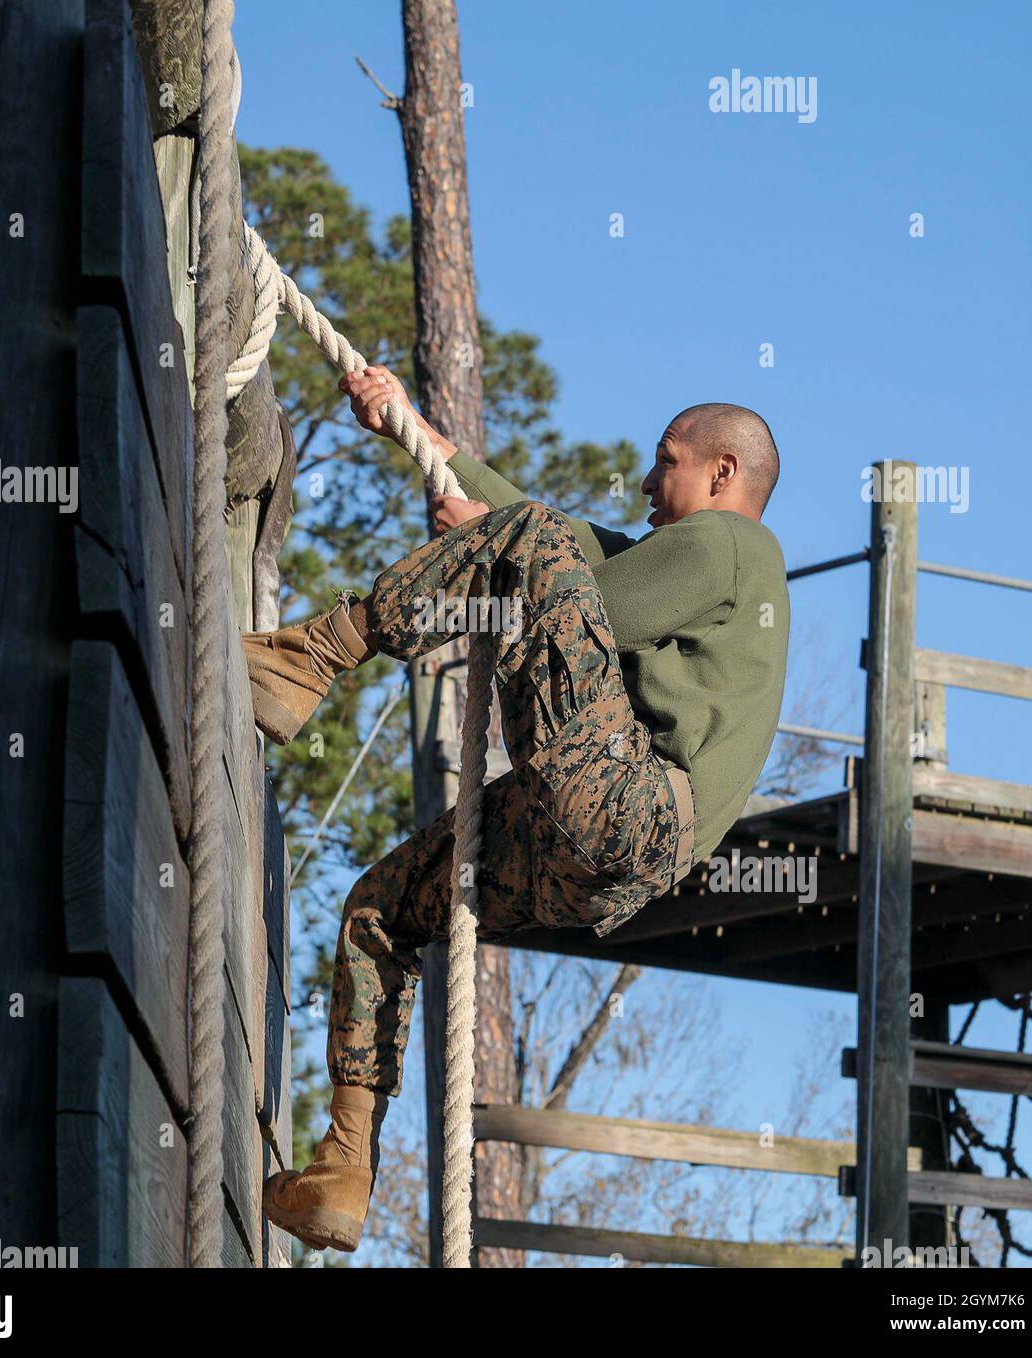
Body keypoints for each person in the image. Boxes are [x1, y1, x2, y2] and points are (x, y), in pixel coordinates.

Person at [242, 366, 790, 1252]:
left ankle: (312, 656)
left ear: (724, 474)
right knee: (381, 907)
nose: (650, 484)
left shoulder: (732, 545)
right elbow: (574, 546)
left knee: (529, 542)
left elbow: (573, 587)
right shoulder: (695, 567)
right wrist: (413, 432)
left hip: (628, 799)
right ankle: (343, 1168)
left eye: (667, 462)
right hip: (602, 862)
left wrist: (495, 551)